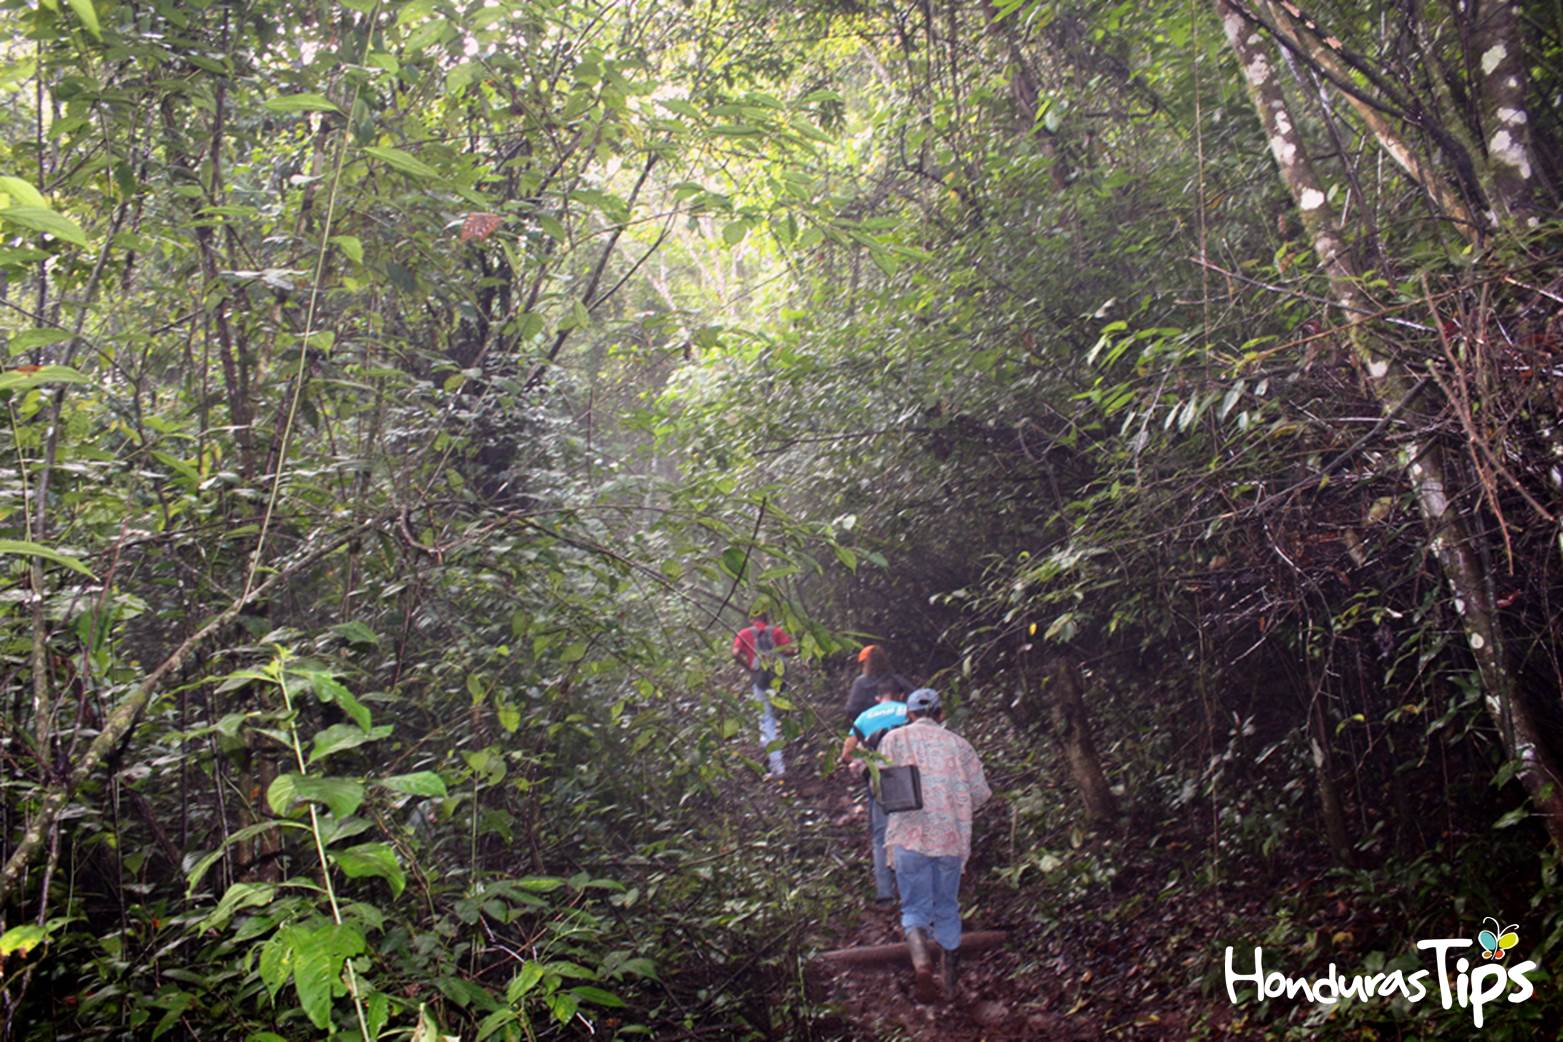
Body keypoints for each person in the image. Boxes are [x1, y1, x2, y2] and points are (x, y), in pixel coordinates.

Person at [879, 687, 991, 1002]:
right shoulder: (960, 746)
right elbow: (981, 794)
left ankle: (922, 963)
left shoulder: (893, 740)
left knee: (914, 909)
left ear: (909, 714)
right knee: (946, 907)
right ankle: (952, 984)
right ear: (941, 715)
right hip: (950, 841)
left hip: (907, 838)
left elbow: (879, 785)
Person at [836, 678, 911, 905]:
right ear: (900, 695)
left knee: (881, 835)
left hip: (879, 779)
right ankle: (911, 888)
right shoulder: (909, 711)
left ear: (878, 698)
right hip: (910, 777)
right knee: (911, 831)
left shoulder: (865, 717)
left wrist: (865, 760)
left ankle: (884, 892)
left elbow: (847, 754)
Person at [731, 611, 797, 780]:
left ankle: (777, 766)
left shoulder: (744, 633)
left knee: (766, 719)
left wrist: (748, 667)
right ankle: (785, 751)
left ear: (752, 619)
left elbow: (735, 653)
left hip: (759, 678)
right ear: (767, 618)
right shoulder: (776, 631)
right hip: (778, 678)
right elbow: (790, 651)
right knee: (784, 715)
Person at [845, 644, 911, 723]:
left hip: (870, 725)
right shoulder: (897, 680)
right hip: (897, 723)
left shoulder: (860, 683)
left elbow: (851, 710)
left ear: (866, 663)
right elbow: (915, 700)